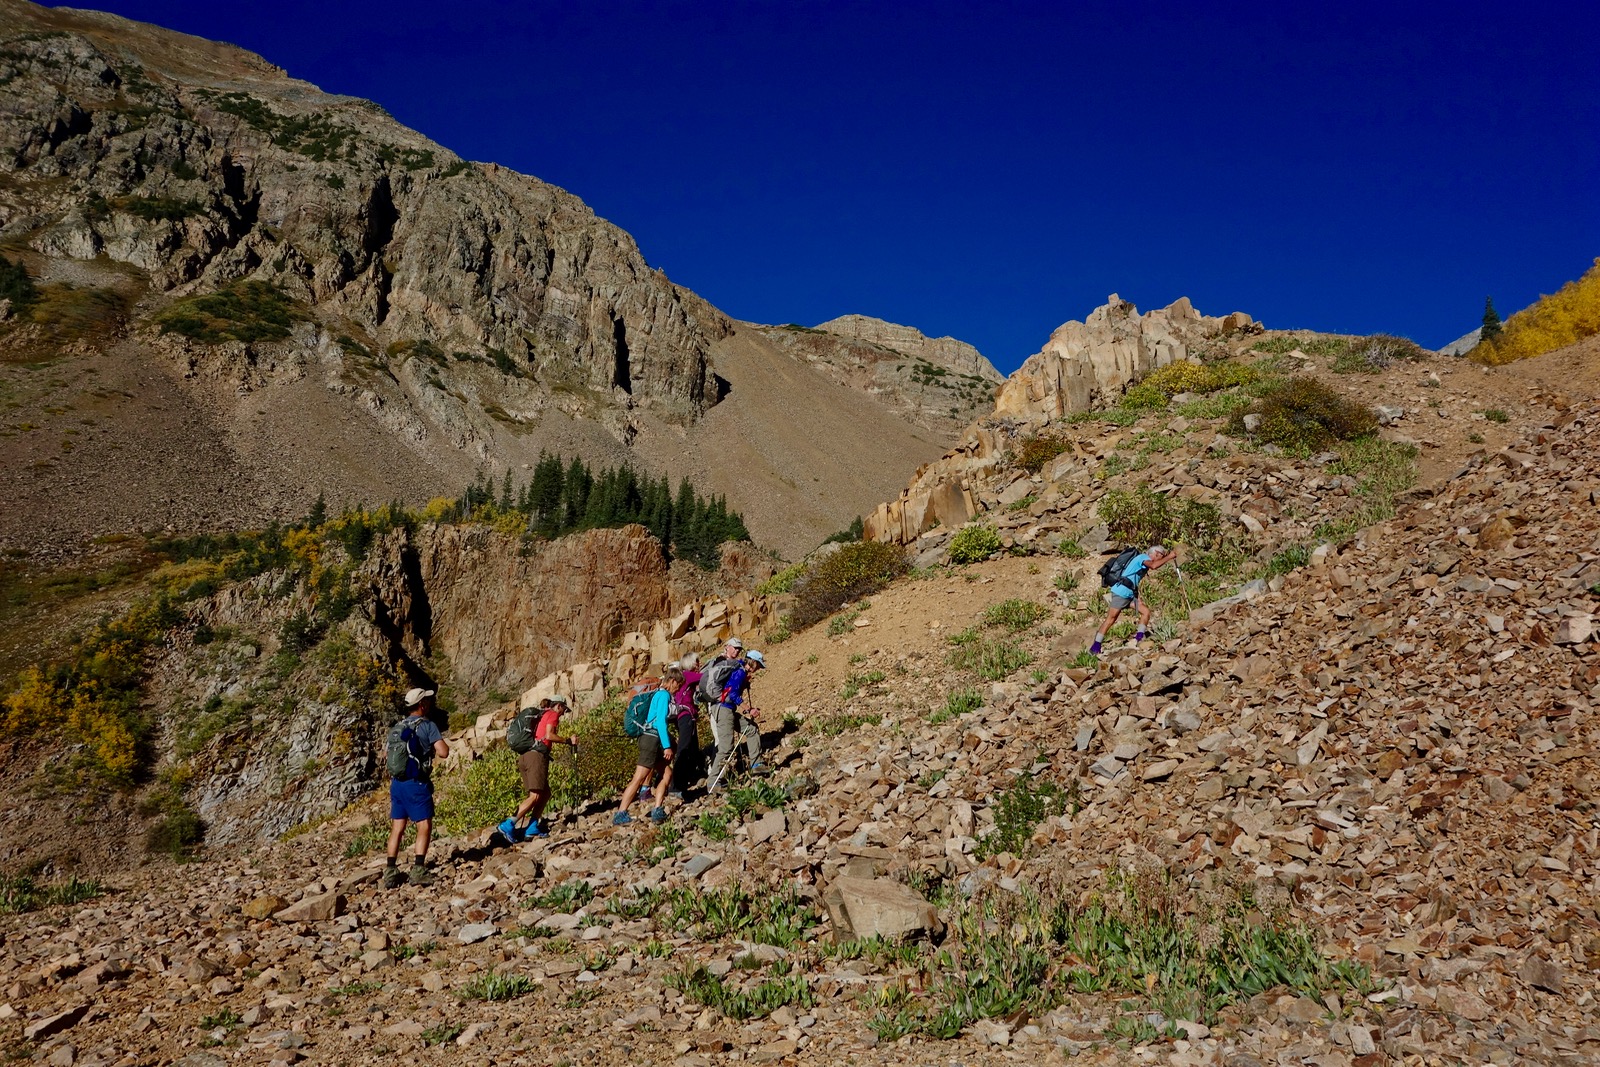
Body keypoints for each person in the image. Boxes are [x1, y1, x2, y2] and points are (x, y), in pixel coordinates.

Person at [385, 687, 449, 889]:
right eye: (427, 701)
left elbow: (387, 756)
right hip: (416, 782)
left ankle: (390, 871)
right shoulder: (428, 725)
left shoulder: (397, 726)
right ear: (422, 705)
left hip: (397, 784)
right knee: (423, 825)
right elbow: (443, 752)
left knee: (397, 828)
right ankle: (418, 869)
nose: (429, 704)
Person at [499, 695, 576, 842]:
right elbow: (549, 735)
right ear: (558, 706)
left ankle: (532, 828)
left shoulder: (540, 715)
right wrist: (567, 741)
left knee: (545, 793)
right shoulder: (552, 714)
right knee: (535, 796)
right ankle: (508, 824)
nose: (562, 714)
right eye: (563, 710)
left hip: (525, 756)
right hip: (536, 757)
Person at [1089, 545, 1177, 655]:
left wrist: (1137, 595)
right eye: (1161, 556)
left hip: (1130, 594)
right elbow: (1154, 566)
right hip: (1121, 592)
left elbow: (1134, 579)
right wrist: (1169, 557)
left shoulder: (1143, 560)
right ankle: (1095, 646)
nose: (1161, 558)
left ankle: (1139, 638)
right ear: (1156, 553)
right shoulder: (1143, 558)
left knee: (1145, 612)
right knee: (1111, 619)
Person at [614, 668, 676, 825]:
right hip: (652, 740)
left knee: (666, 773)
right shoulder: (663, 695)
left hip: (651, 739)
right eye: (678, 685)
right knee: (639, 777)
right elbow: (660, 722)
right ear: (672, 681)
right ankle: (621, 813)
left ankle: (657, 810)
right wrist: (667, 746)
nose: (678, 688)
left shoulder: (657, 694)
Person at [705, 647, 765, 793]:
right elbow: (732, 695)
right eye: (759, 665)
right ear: (754, 663)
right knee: (726, 747)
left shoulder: (739, 671)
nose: (758, 669)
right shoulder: (739, 672)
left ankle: (757, 765)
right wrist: (748, 709)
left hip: (726, 709)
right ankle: (713, 782)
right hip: (723, 709)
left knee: (751, 729)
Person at [667, 654, 703, 801]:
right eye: (697, 661)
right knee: (684, 748)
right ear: (691, 663)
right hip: (686, 716)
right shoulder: (688, 675)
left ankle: (693, 777)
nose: (699, 663)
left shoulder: (684, 677)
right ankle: (675, 787)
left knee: (693, 748)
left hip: (685, 717)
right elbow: (704, 676)